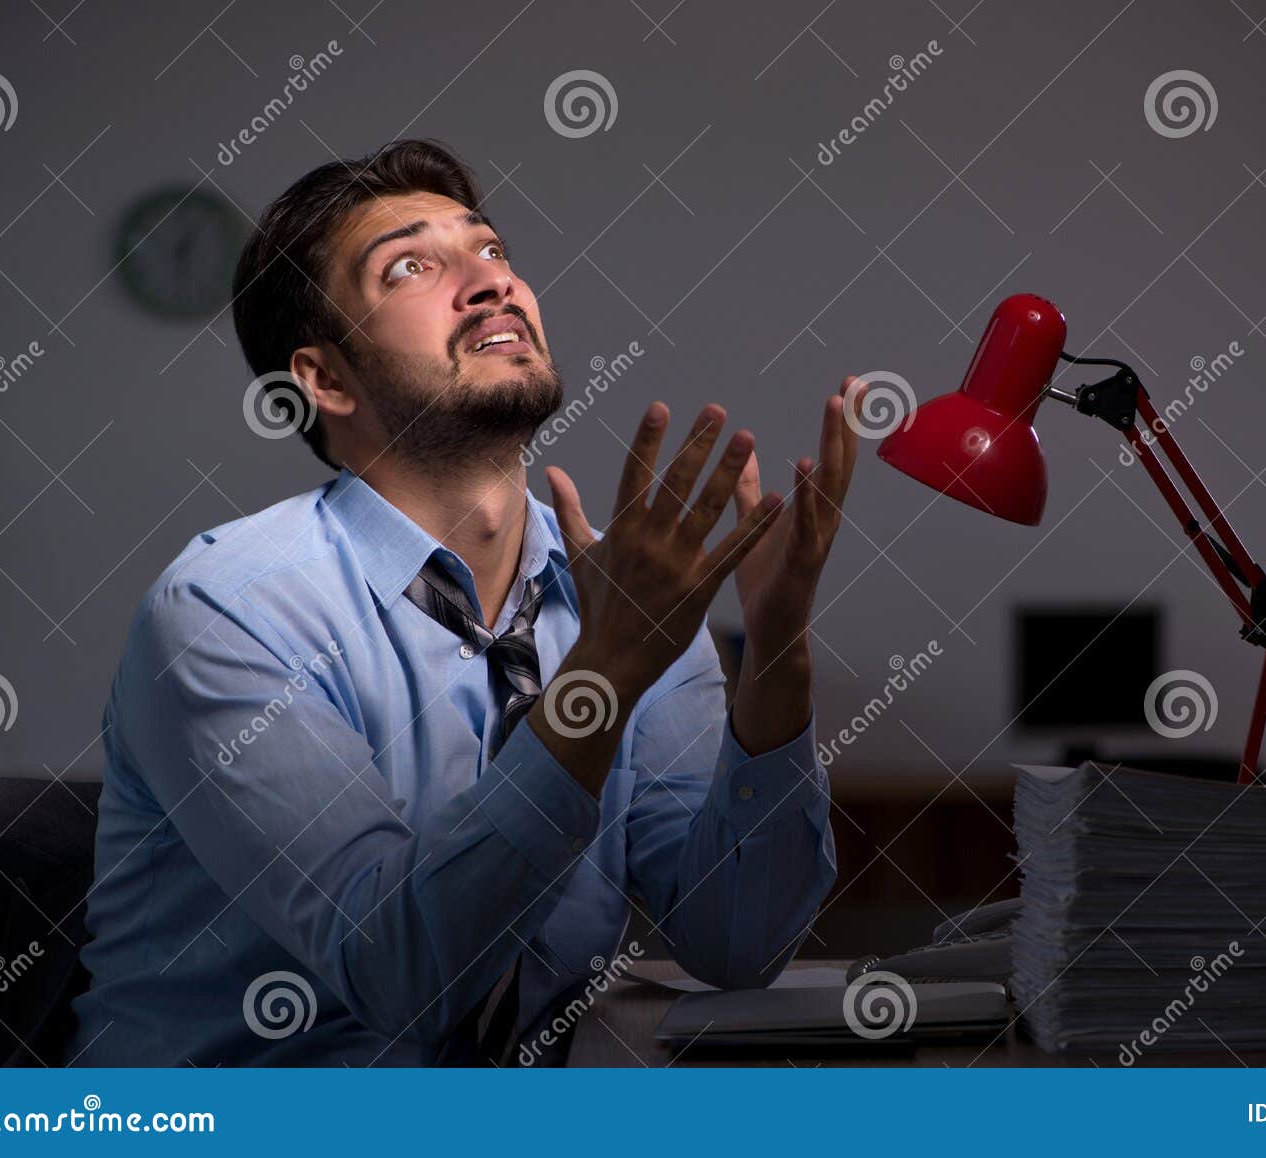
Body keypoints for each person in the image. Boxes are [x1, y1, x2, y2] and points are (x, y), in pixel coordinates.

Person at [68, 139, 859, 1065]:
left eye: (491, 251)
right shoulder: (227, 609)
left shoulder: (633, 592)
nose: (490, 284)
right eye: (410, 266)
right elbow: (400, 973)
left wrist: (777, 649)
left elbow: (737, 944)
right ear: (323, 379)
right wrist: (602, 673)